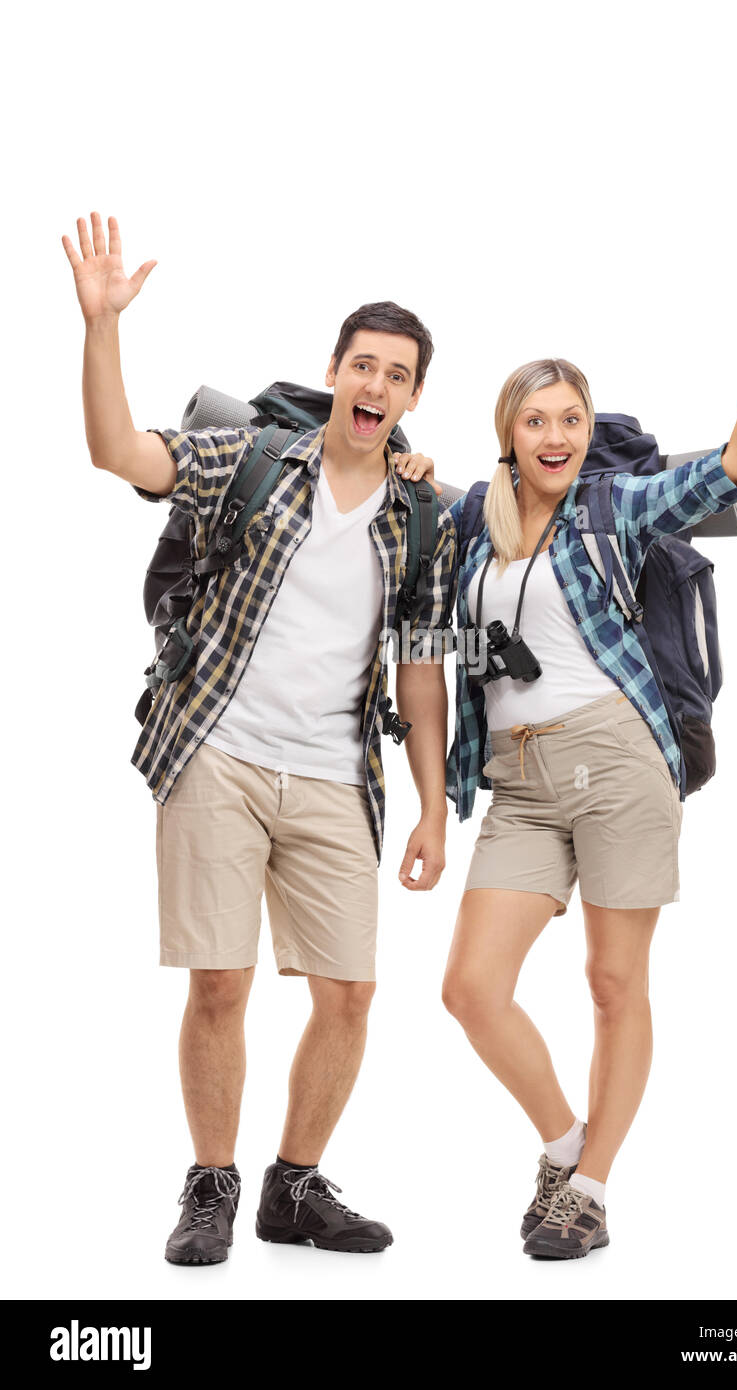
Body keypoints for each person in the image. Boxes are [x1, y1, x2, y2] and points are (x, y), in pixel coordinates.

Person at [62, 211, 455, 1263]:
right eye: (361, 364)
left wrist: (428, 804)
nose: (375, 385)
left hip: (336, 776)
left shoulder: (420, 522)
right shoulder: (253, 456)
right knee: (220, 982)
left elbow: (422, 670)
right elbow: (118, 452)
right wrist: (101, 327)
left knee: (350, 993)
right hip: (218, 754)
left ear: (413, 397)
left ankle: (292, 1187)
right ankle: (210, 1184)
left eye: (398, 374)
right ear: (334, 372)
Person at [414, 266, 737, 1259]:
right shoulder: (472, 524)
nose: (555, 437)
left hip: (616, 760)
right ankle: (565, 1145)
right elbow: (434, 562)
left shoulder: (615, 507)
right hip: (516, 778)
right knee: (469, 986)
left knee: (609, 979)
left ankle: (587, 1192)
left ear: (587, 430)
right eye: (536, 420)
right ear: (507, 430)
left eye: (571, 419)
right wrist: (421, 480)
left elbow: (729, 470)